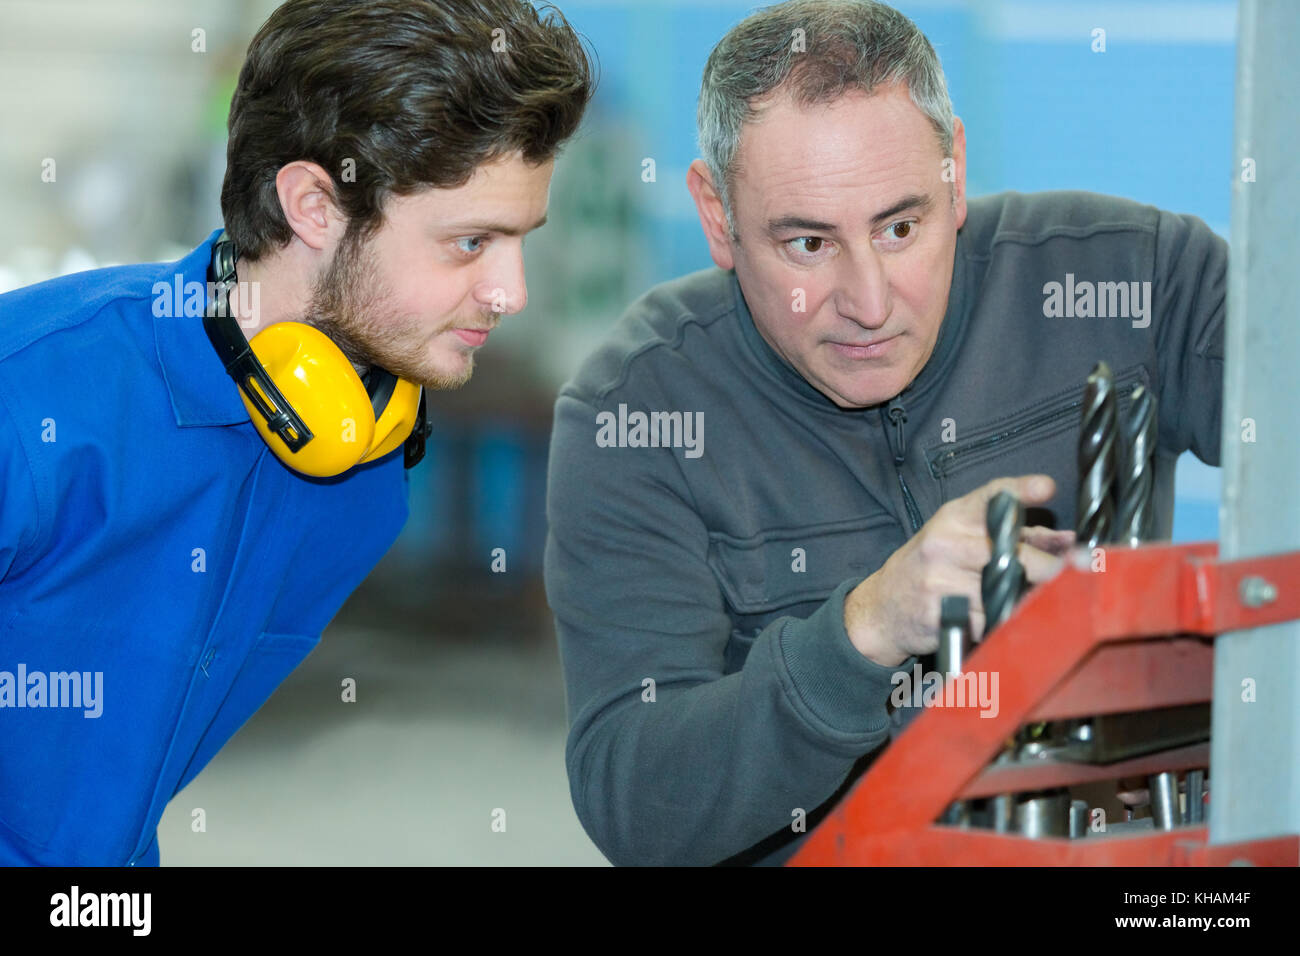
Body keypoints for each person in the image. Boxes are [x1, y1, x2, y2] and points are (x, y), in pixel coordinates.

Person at [545, 0, 1223, 866]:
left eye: (901, 227)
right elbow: (641, 805)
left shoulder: (1137, 277)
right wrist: (863, 631)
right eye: (807, 244)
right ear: (716, 217)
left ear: (956, 170)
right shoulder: (635, 413)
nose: (868, 303)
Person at [0, 0, 593, 865]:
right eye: (471, 243)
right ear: (315, 206)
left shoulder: (367, 471)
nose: (512, 293)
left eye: (520, 241)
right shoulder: (33, 397)